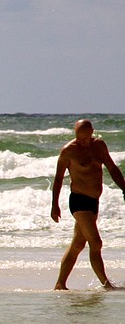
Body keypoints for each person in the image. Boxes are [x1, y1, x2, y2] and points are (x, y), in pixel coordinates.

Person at [50, 118, 125, 290]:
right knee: (96, 242)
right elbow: (58, 179)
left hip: (94, 202)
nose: (82, 141)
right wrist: (54, 205)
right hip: (78, 201)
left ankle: (60, 284)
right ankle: (106, 284)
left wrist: (124, 188)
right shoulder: (68, 151)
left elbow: (112, 168)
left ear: (92, 133)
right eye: (79, 137)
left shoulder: (99, 146)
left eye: (85, 137)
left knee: (78, 244)